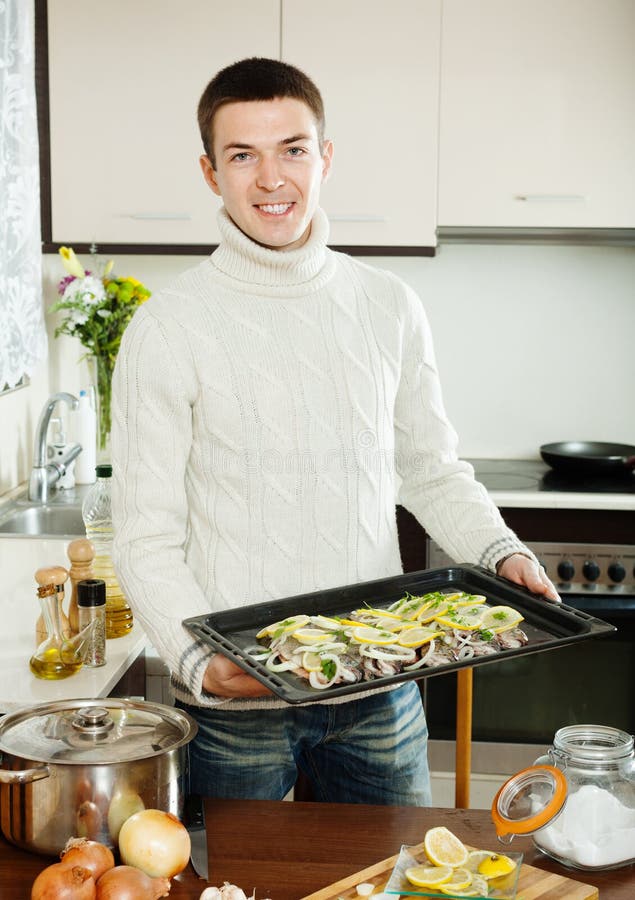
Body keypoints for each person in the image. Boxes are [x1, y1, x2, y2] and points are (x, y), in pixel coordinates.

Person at [111, 57, 559, 806]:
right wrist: (197, 660)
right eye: (241, 155)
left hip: (381, 688)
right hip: (236, 704)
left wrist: (497, 550)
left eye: (291, 149)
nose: (270, 178)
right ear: (208, 170)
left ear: (325, 157)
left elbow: (430, 469)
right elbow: (144, 534)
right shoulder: (168, 327)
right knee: (242, 890)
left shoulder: (387, 304)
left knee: (394, 883)